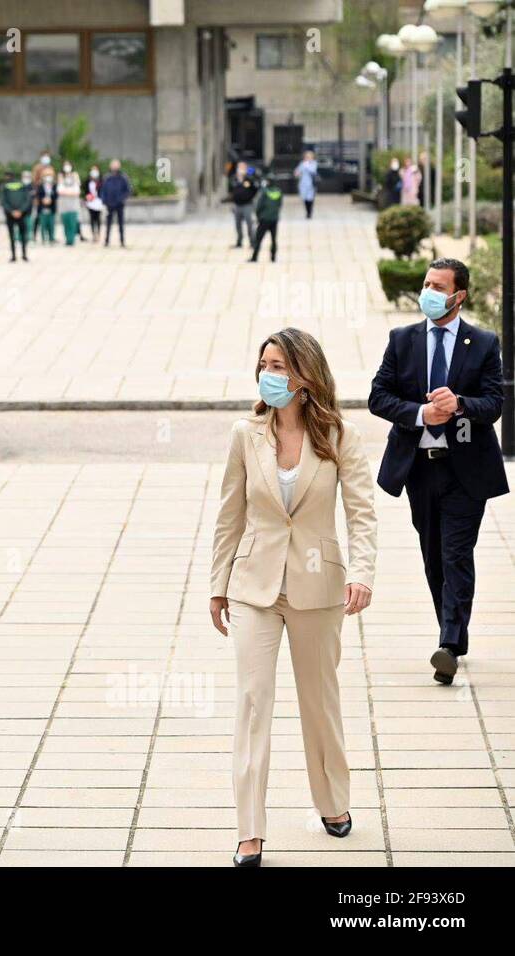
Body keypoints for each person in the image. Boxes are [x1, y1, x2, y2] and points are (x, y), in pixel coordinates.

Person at [211, 327, 377, 868]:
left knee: (319, 702)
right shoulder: (245, 434)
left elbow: (361, 512)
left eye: (280, 365)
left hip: (319, 587)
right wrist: (218, 586)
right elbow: (228, 516)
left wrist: (363, 573)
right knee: (253, 705)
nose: (270, 374)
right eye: (265, 364)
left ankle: (332, 802)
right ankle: (249, 832)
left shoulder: (340, 435)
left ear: (305, 376)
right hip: (254, 587)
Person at [368, 258, 508, 685]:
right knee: (433, 557)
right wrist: (420, 413)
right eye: (427, 283)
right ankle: (453, 633)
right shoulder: (403, 339)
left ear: (458, 295)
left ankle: (447, 643)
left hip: (466, 470)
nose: (429, 291)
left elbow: (495, 405)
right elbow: (378, 397)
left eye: (438, 285)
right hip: (419, 470)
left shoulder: (482, 343)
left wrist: (460, 404)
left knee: (455, 554)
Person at [1, 170, 33, 263]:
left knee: (12, 236)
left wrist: (11, 211)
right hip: (21, 214)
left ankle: (14, 256)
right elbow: (27, 199)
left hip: (10, 215)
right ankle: (24, 255)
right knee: (23, 235)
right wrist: (20, 210)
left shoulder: (4, 186)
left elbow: (3, 201)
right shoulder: (22, 185)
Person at [250, 177, 283, 263]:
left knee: (258, 238)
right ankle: (273, 257)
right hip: (274, 219)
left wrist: (258, 216)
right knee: (273, 239)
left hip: (264, 219)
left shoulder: (264, 192)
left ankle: (254, 257)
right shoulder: (278, 191)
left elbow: (259, 206)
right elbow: (280, 204)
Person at [99, 159, 131, 247]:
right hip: (109, 204)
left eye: (116, 165)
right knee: (108, 224)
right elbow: (102, 190)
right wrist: (104, 200)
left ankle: (122, 241)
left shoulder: (123, 177)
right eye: (113, 165)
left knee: (121, 223)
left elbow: (128, 190)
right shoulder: (107, 177)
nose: (114, 167)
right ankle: (107, 241)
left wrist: (121, 199)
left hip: (119, 204)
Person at [228, 162, 258, 249]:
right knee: (237, 225)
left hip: (247, 205)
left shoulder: (249, 178)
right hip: (237, 205)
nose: (241, 169)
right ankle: (239, 242)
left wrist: (250, 197)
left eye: (243, 167)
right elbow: (230, 190)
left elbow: (255, 188)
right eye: (240, 167)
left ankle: (252, 242)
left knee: (250, 224)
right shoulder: (234, 178)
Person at [57, 162, 84, 245]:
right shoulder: (60, 176)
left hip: (73, 204)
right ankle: (67, 239)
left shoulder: (75, 175)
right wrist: (69, 192)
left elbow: (77, 191)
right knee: (66, 222)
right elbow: (60, 190)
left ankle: (71, 239)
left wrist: (67, 192)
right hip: (64, 204)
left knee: (73, 222)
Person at [35, 170, 58, 244]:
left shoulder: (54, 186)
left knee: (51, 224)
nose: (48, 177)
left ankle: (51, 238)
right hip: (42, 208)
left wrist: (51, 199)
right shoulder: (40, 185)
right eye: (46, 175)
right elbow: (38, 195)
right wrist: (43, 200)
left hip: (51, 207)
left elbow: (56, 195)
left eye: (49, 175)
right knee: (43, 224)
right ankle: (43, 239)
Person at [295, 150, 319, 219]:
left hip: (311, 184)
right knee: (305, 199)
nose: (308, 157)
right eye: (307, 156)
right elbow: (297, 171)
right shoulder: (302, 163)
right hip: (303, 184)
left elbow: (313, 171)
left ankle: (309, 212)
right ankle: (307, 211)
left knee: (310, 199)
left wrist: (307, 165)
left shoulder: (314, 163)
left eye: (309, 156)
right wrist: (297, 172)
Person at [85, 165, 105, 241]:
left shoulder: (101, 181)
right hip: (90, 202)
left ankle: (98, 233)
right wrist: (87, 196)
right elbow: (86, 191)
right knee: (92, 219)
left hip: (98, 202)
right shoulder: (88, 181)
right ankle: (93, 234)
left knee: (98, 218)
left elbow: (103, 191)